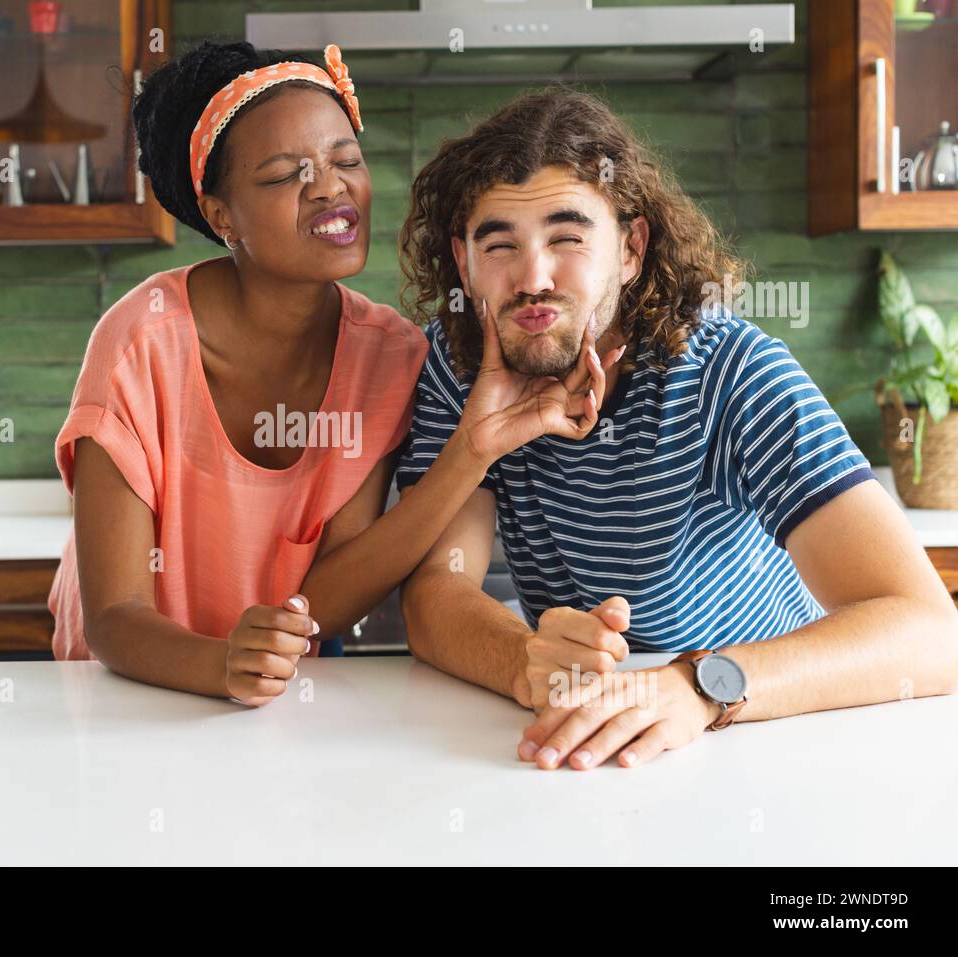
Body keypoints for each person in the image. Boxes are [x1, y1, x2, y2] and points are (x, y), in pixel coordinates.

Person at [395, 88, 958, 769]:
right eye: (500, 244)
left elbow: (930, 631)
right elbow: (434, 593)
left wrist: (702, 683)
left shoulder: (731, 372)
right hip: (594, 751)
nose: (532, 277)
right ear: (463, 262)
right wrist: (525, 660)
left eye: (567, 238)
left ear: (631, 249)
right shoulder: (458, 368)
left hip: (770, 736)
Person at [47, 45, 619, 706]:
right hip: (124, 697)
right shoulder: (139, 341)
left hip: (276, 696)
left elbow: (327, 597)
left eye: (347, 160)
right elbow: (114, 619)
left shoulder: (389, 358)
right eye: (288, 173)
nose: (330, 186)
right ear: (221, 214)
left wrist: (474, 448)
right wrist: (222, 663)